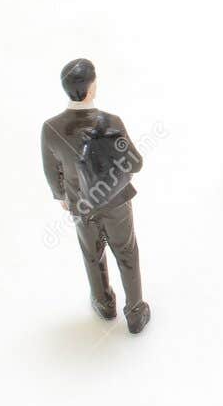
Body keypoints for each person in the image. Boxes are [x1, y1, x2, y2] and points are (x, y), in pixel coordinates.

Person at [40, 58, 152, 334]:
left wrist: (62, 196)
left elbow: (51, 171)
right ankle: (135, 311)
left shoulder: (51, 128)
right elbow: (136, 163)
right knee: (126, 252)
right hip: (116, 202)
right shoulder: (111, 122)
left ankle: (104, 302)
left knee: (92, 253)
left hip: (82, 205)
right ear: (91, 89)